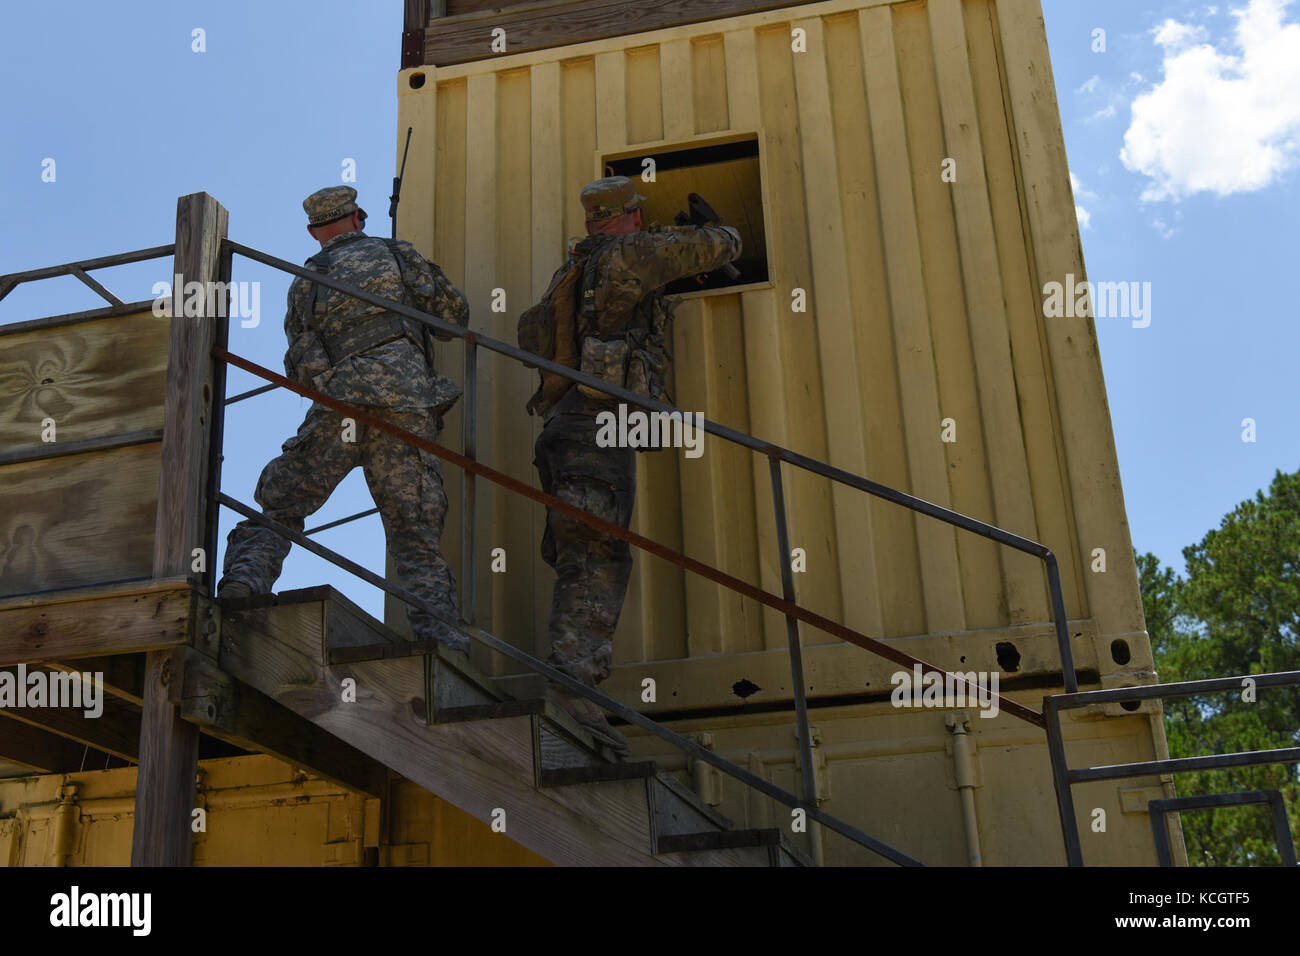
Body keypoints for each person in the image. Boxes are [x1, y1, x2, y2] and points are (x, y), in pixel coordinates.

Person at [527, 176, 742, 751]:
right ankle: (573, 695)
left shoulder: (567, 276)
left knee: (581, 552)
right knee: (598, 558)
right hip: (599, 428)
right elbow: (716, 247)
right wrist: (720, 230)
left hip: (562, 430)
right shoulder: (629, 254)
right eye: (638, 214)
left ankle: (570, 684)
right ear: (625, 217)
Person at [217, 185, 469, 650]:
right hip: (403, 407)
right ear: (359, 217)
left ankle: (245, 581)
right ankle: (443, 644)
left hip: (339, 407)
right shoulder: (396, 254)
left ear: (314, 231)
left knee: (283, 503)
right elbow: (454, 316)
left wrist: (340, 385)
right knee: (414, 534)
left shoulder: (304, 281)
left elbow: (299, 359)